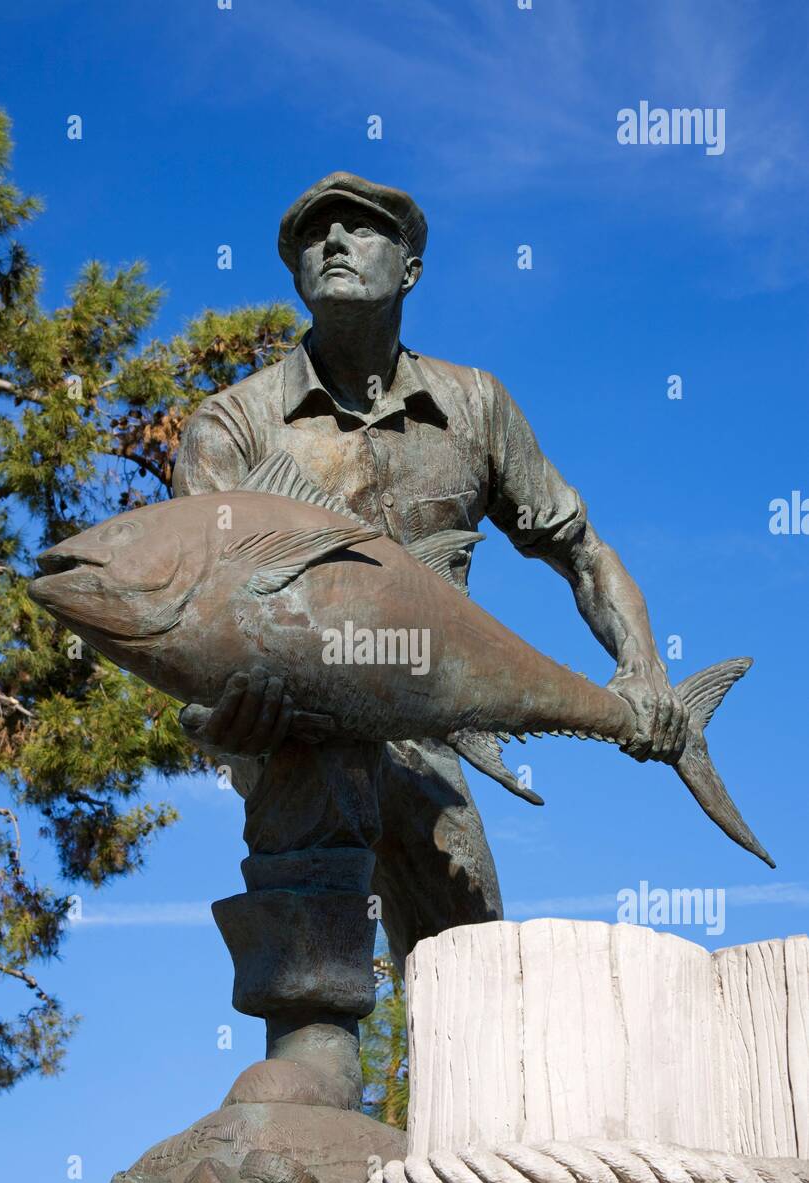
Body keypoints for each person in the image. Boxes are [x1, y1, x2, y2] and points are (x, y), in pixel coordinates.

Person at [172, 172, 688, 1102]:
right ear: (293, 272)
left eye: (361, 229)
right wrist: (215, 713)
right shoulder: (232, 424)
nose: (334, 240)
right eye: (313, 233)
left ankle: (474, 1136)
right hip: (300, 723)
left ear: (410, 266)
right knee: (311, 791)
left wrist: (642, 668)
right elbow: (202, 609)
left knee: (473, 975)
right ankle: (311, 1069)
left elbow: (582, 551)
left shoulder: (475, 405)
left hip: (431, 729)